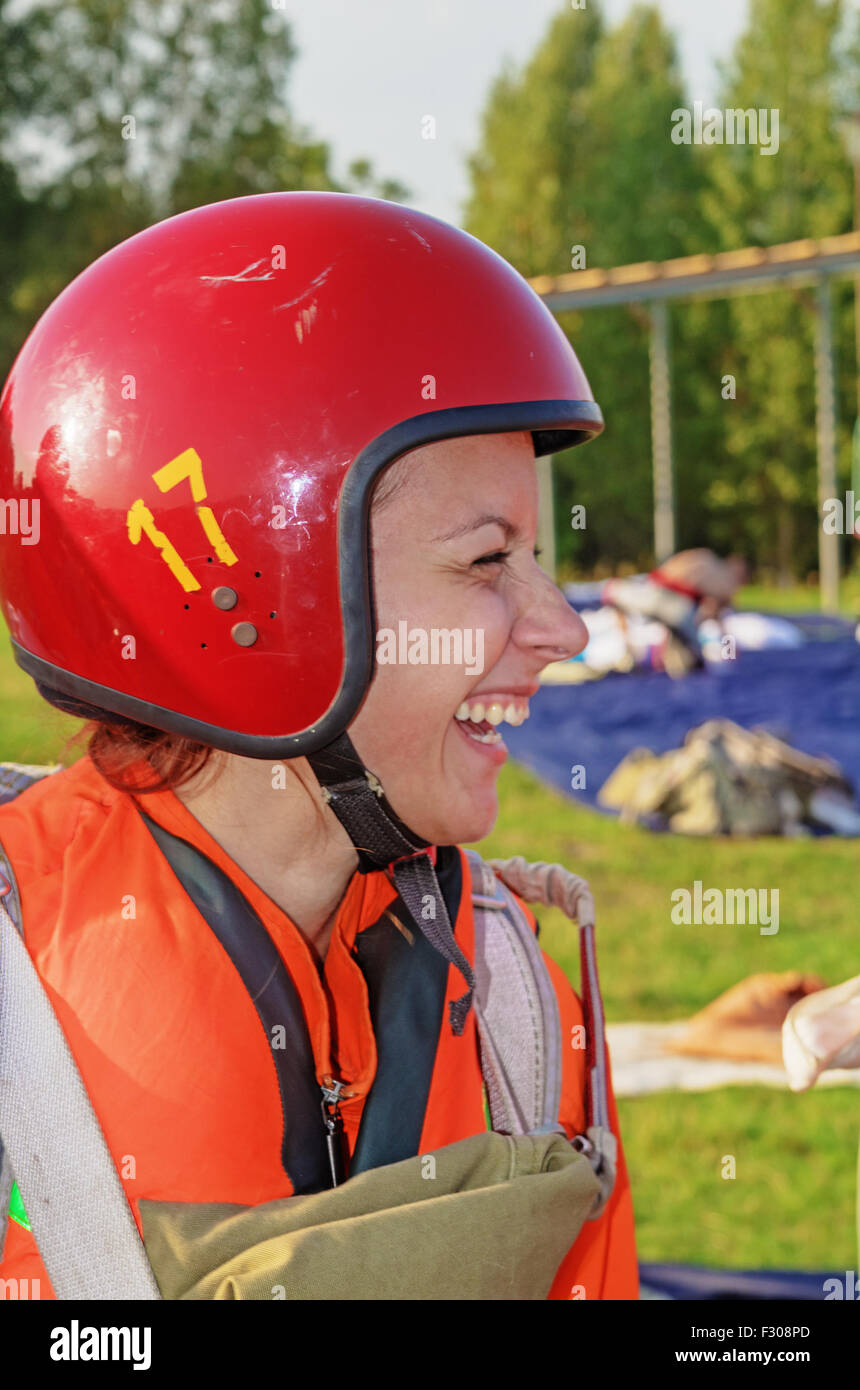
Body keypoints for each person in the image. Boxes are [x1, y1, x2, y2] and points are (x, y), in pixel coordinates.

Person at [0, 191, 637, 1299]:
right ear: (253, 600)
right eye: (487, 562)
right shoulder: (21, 1005)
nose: (562, 628)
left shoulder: (516, 1009)